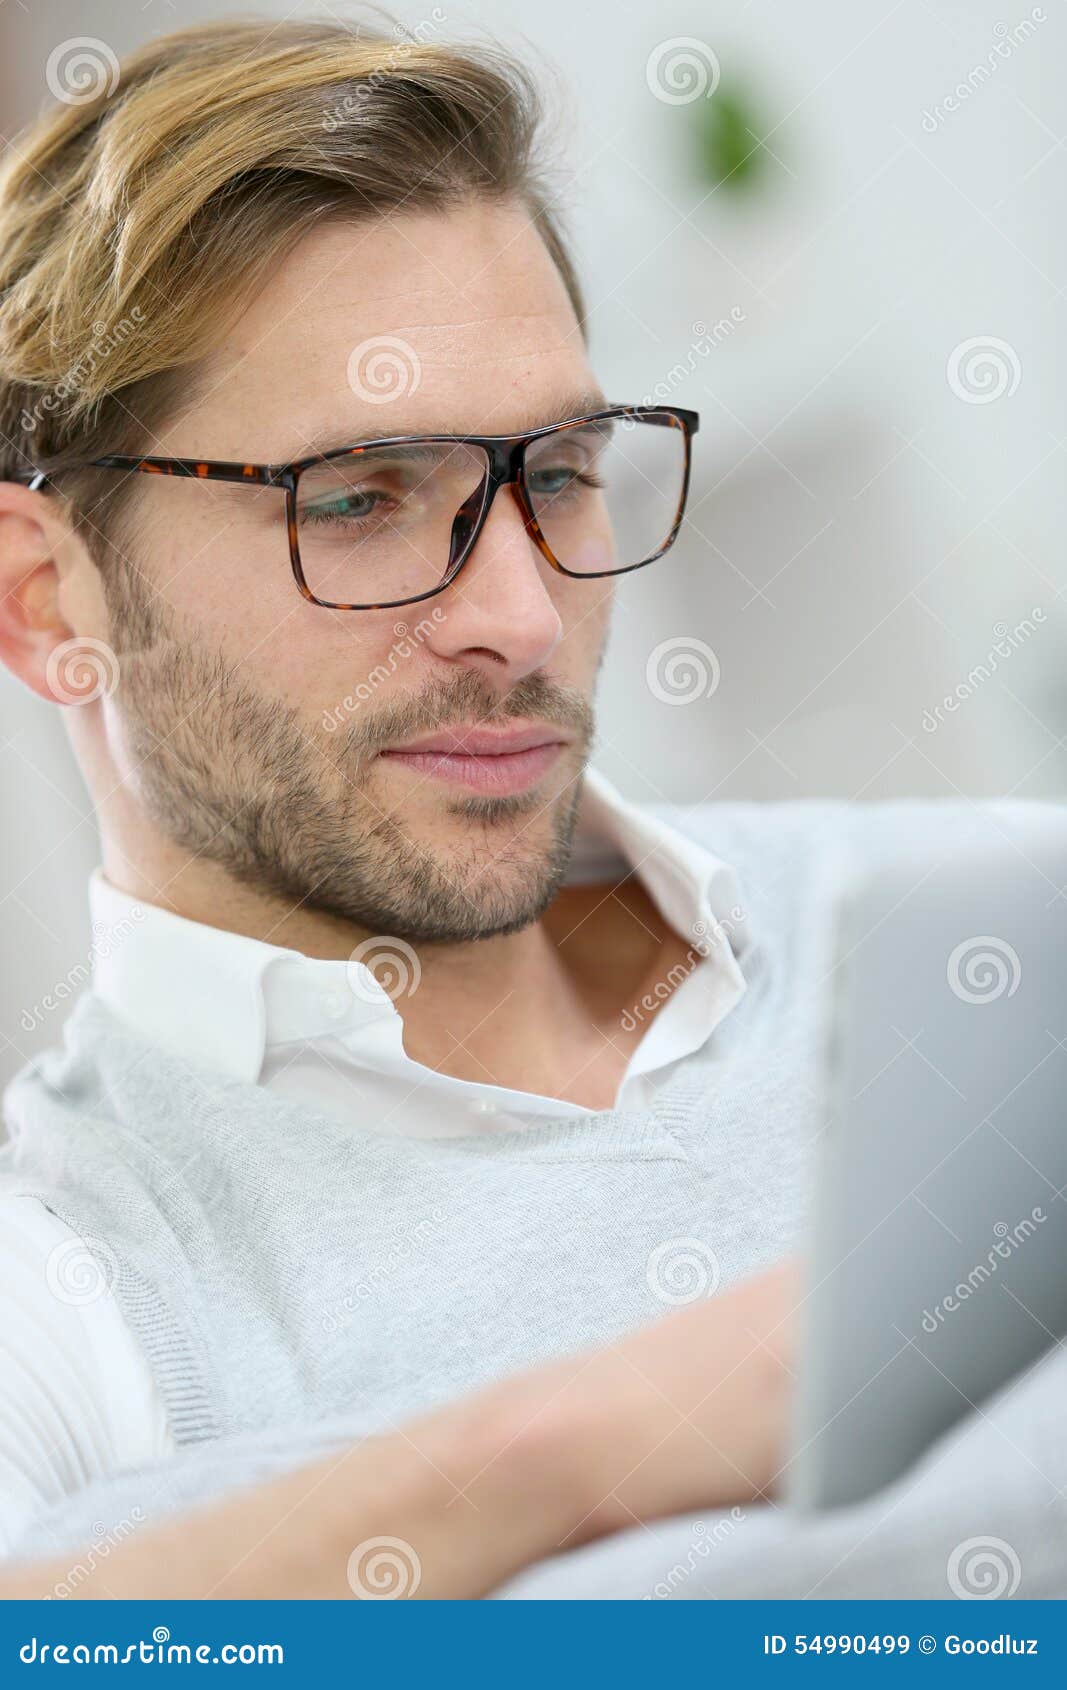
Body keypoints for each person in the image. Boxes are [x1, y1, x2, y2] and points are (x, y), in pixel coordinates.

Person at [0, 18, 1018, 1600]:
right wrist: (575, 1450)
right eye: (358, 498)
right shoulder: (69, 1284)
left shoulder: (960, 936)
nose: (522, 618)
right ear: (45, 595)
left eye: (554, 475)